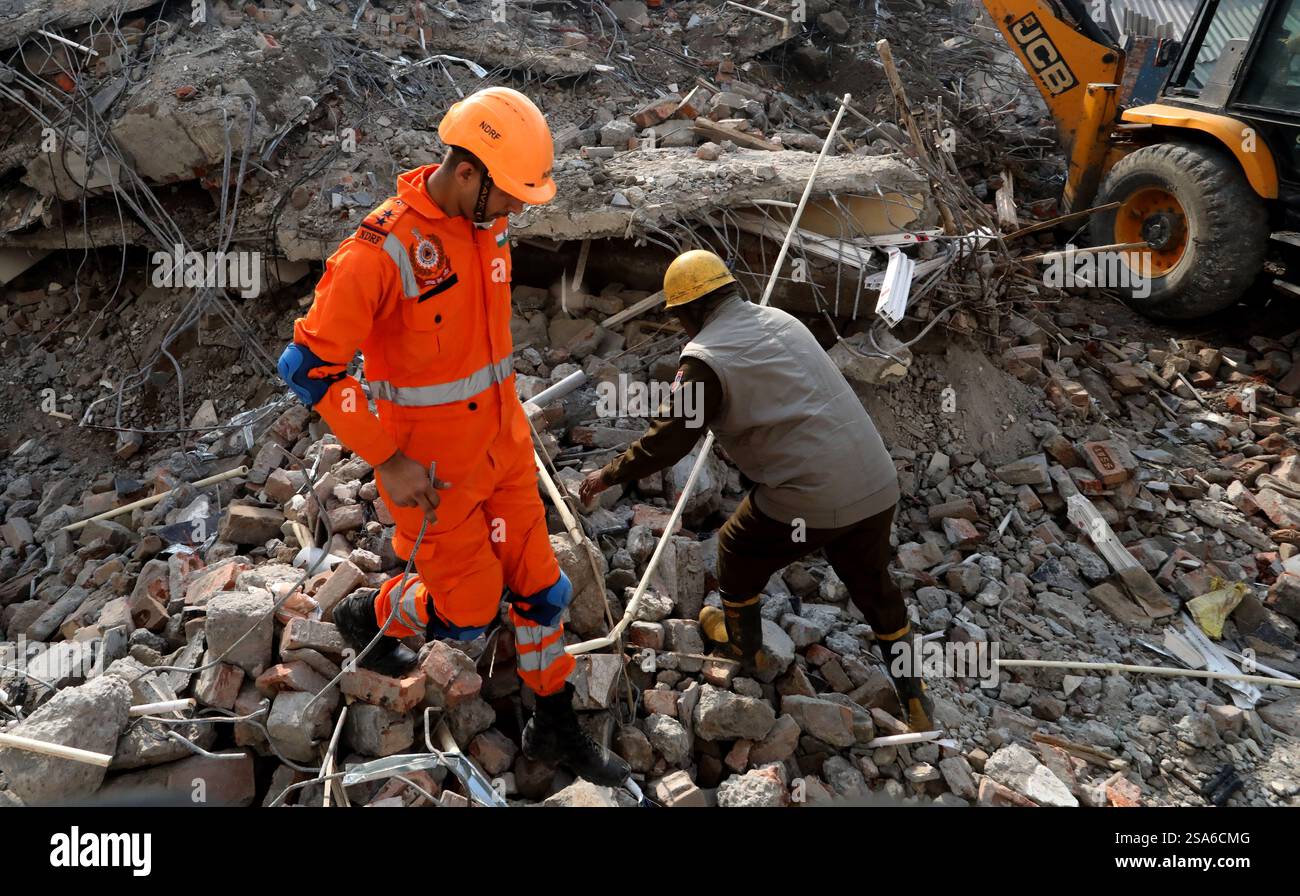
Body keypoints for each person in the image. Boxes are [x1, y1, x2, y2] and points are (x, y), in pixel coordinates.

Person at [278, 86, 630, 784]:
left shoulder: (485, 222)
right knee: (467, 616)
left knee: (540, 588)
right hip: (432, 475)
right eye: (510, 195)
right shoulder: (378, 251)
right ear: (466, 172)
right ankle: (370, 613)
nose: (519, 211)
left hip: (504, 447)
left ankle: (552, 725)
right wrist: (388, 458)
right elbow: (309, 367)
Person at [579, 249, 934, 731]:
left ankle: (745, 649)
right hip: (875, 481)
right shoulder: (780, 319)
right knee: (873, 585)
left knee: (737, 547)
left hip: (813, 496)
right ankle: (914, 699)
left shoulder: (704, 359)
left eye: (680, 316)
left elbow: (670, 440)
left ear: (689, 311)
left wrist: (607, 475)